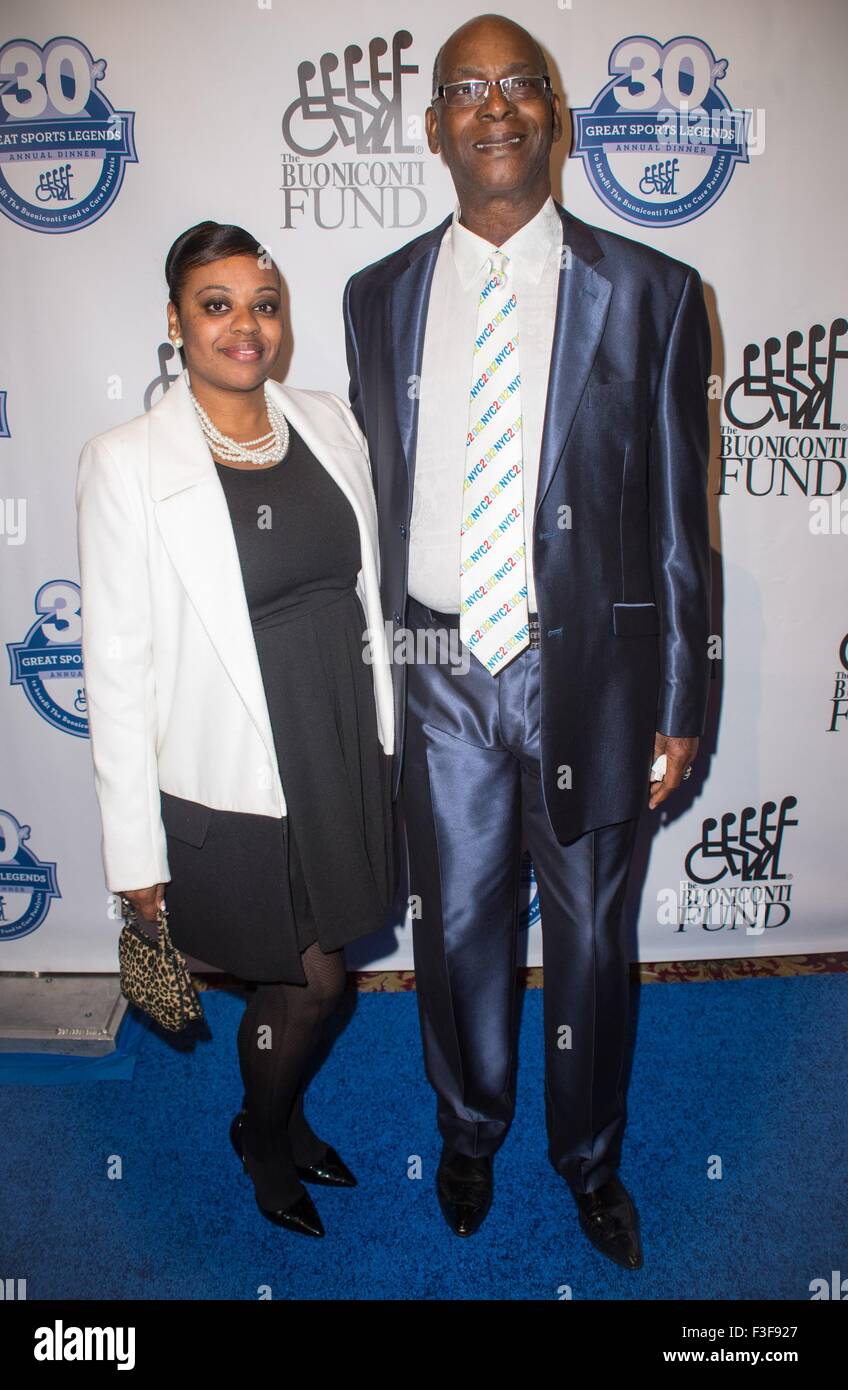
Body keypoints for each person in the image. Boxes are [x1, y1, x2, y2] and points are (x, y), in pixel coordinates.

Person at [343, 14, 711, 1267]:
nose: (493, 109)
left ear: (553, 113)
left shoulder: (655, 291)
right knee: (456, 927)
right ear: (435, 124)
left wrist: (679, 695)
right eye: (465, 91)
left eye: (518, 87)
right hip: (440, 667)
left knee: (597, 937)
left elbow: (680, 518)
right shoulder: (376, 296)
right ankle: (467, 1127)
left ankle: (589, 1156)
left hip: (591, 679)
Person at [76, 221, 395, 1239]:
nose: (244, 325)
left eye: (262, 302)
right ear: (175, 322)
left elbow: (365, 591)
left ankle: (278, 1116)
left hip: (338, 745)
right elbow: (115, 667)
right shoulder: (126, 462)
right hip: (231, 772)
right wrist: (134, 854)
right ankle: (263, 1133)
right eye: (216, 305)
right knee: (311, 981)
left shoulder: (327, 420)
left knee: (322, 975)